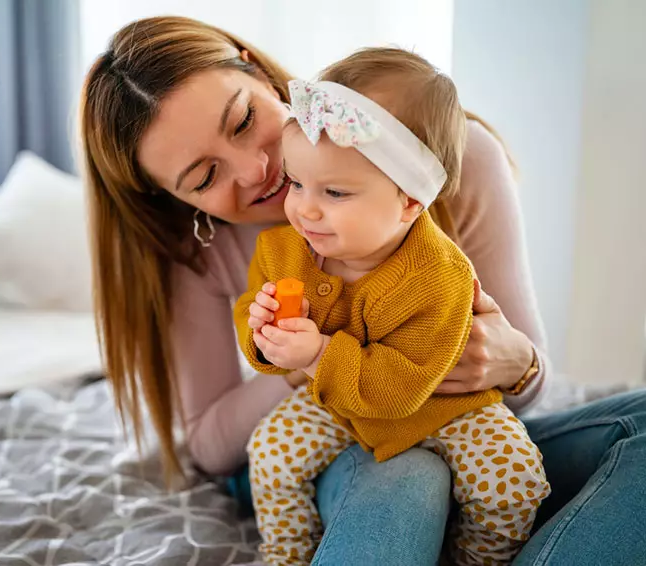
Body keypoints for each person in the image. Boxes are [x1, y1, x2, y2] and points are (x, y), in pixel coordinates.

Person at [79, 15, 646, 565]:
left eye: (244, 119)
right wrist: (308, 358)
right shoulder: (200, 254)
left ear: (258, 74)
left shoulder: (457, 163)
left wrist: (516, 361)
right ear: (176, 201)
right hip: (334, 439)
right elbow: (211, 445)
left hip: (448, 419)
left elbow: (525, 396)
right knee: (410, 476)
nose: (256, 171)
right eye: (205, 178)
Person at [234, 50, 551, 566]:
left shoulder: (440, 276)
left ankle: (475, 558)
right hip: (337, 402)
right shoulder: (283, 251)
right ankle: (287, 554)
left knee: (515, 481)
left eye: (335, 192)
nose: (303, 208)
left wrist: (316, 354)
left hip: (441, 407)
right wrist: (263, 333)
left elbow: (400, 388)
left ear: (409, 201)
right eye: (295, 182)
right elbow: (256, 315)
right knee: (270, 452)